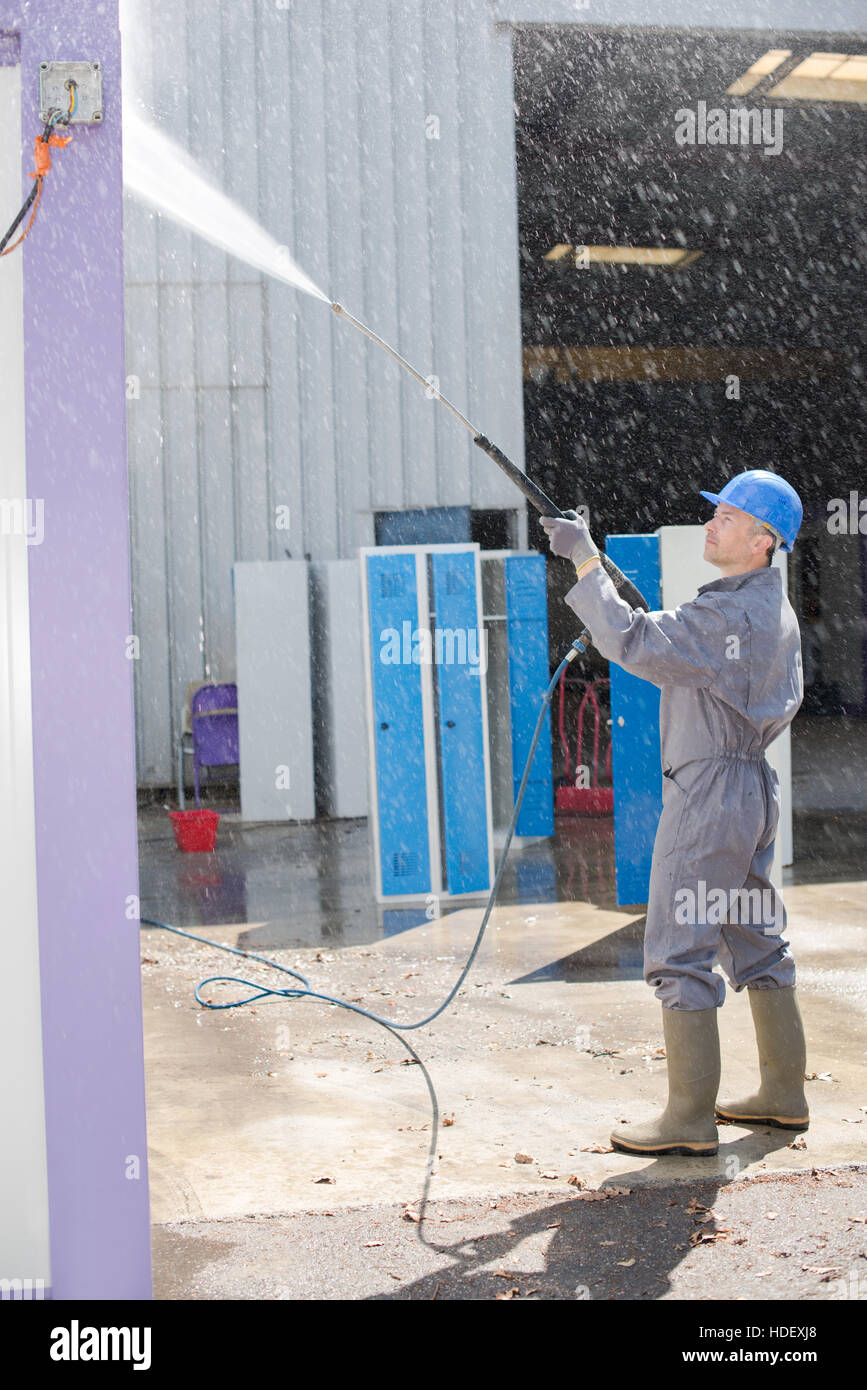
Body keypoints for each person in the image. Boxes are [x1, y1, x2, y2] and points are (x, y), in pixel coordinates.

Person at [541, 471, 808, 1157]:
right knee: (754, 937)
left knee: (678, 947)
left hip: (710, 797)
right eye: (715, 513)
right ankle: (783, 1092)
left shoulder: (726, 616)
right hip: (750, 791)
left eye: (727, 516)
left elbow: (630, 641)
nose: (712, 524)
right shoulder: (766, 610)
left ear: (762, 540)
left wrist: (581, 558)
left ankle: (688, 1117)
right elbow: (675, 643)